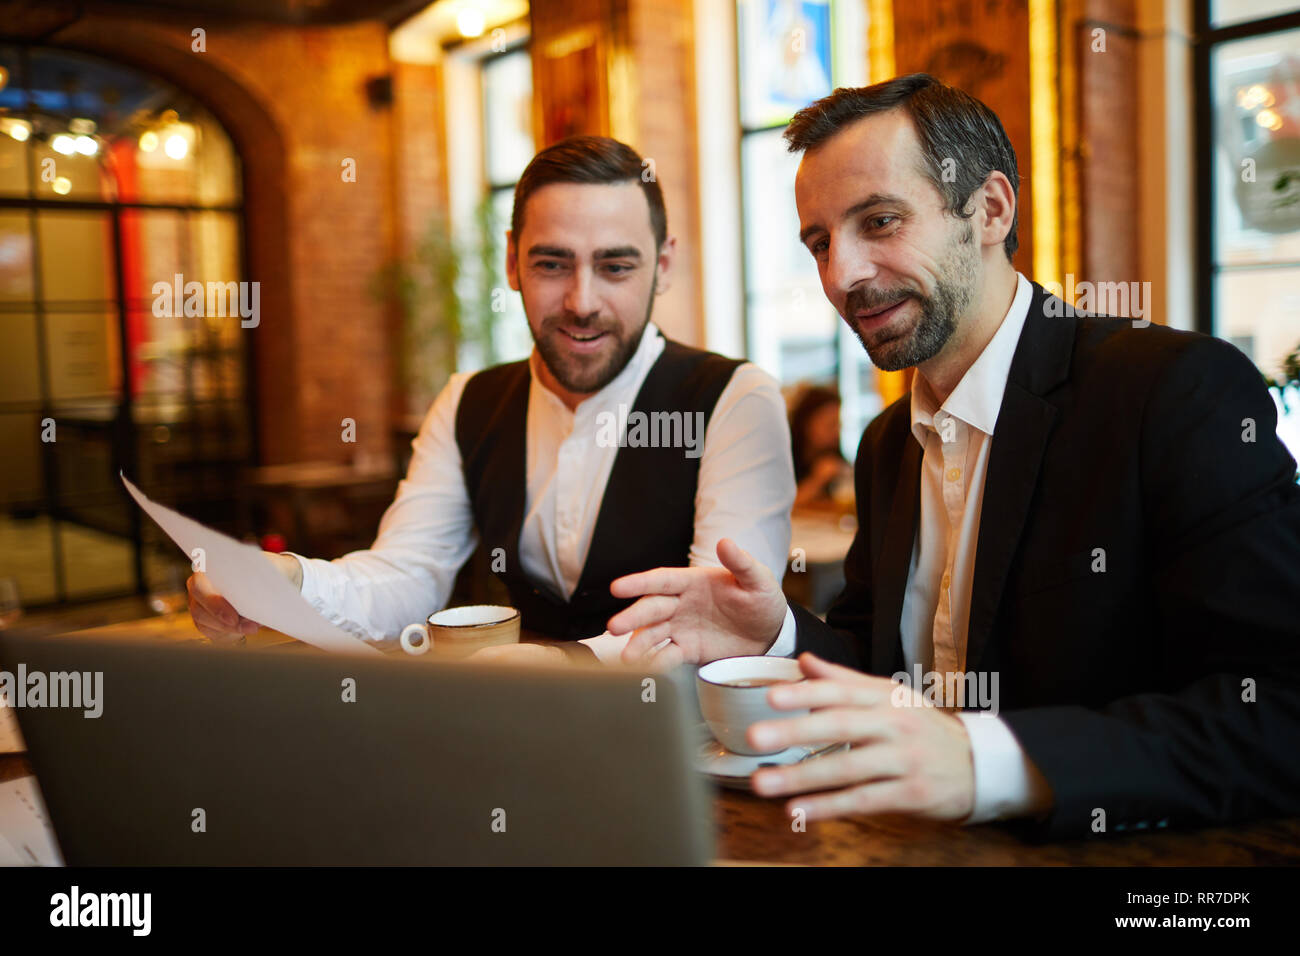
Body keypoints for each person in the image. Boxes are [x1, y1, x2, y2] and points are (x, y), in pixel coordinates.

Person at [607, 74, 1300, 839]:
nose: (842, 276)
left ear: (991, 210)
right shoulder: (885, 445)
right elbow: (880, 672)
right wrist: (777, 635)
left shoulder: (1168, 391)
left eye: (880, 221)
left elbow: (1277, 710)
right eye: (820, 243)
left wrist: (987, 760)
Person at [187, 135, 795, 664]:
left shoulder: (733, 399)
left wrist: (568, 667)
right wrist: (287, 579)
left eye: (615, 267)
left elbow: (715, 619)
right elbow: (408, 574)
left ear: (662, 266)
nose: (582, 301)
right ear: (512, 262)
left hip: (686, 748)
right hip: (516, 729)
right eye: (553, 264)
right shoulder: (468, 402)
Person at [788, 383, 852, 508]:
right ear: (806, 423)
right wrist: (818, 479)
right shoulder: (786, 457)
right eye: (830, 425)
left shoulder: (833, 454)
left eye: (838, 424)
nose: (836, 431)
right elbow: (785, 507)